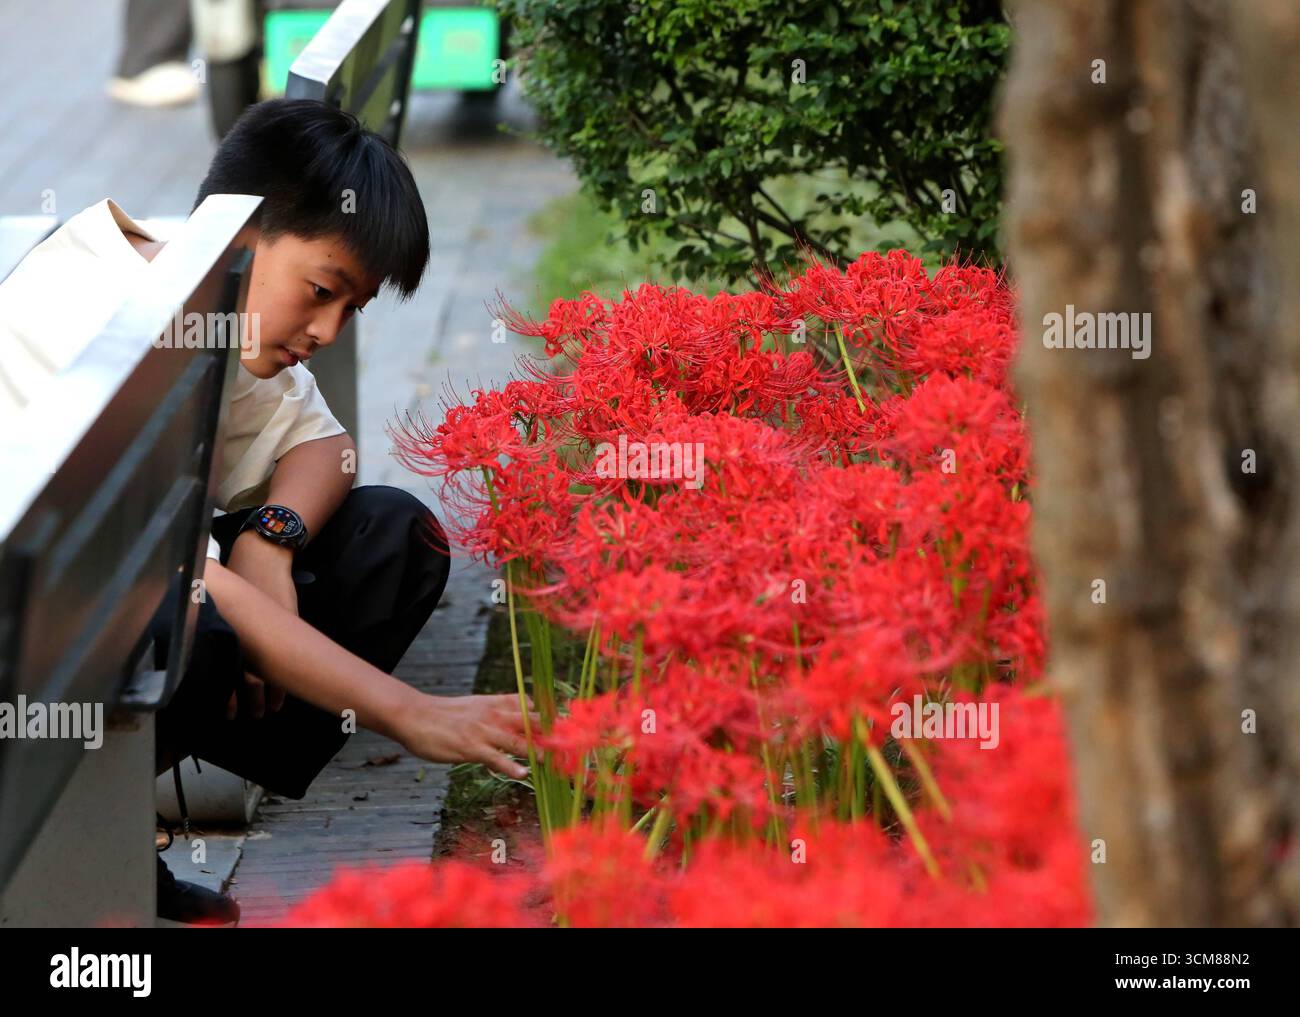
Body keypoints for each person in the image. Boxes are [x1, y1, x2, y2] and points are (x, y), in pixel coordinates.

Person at [0, 99, 538, 927]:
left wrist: (272, 537)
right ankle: (87, 844)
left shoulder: (204, 281)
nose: (325, 329)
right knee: (197, 623)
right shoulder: (105, 315)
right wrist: (416, 715)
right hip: (23, 651)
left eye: (350, 309)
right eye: (321, 291)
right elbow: (176, 574)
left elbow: (324, 448)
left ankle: (118, 818)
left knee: (389, 536)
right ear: (243, 231)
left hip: (91, 606)